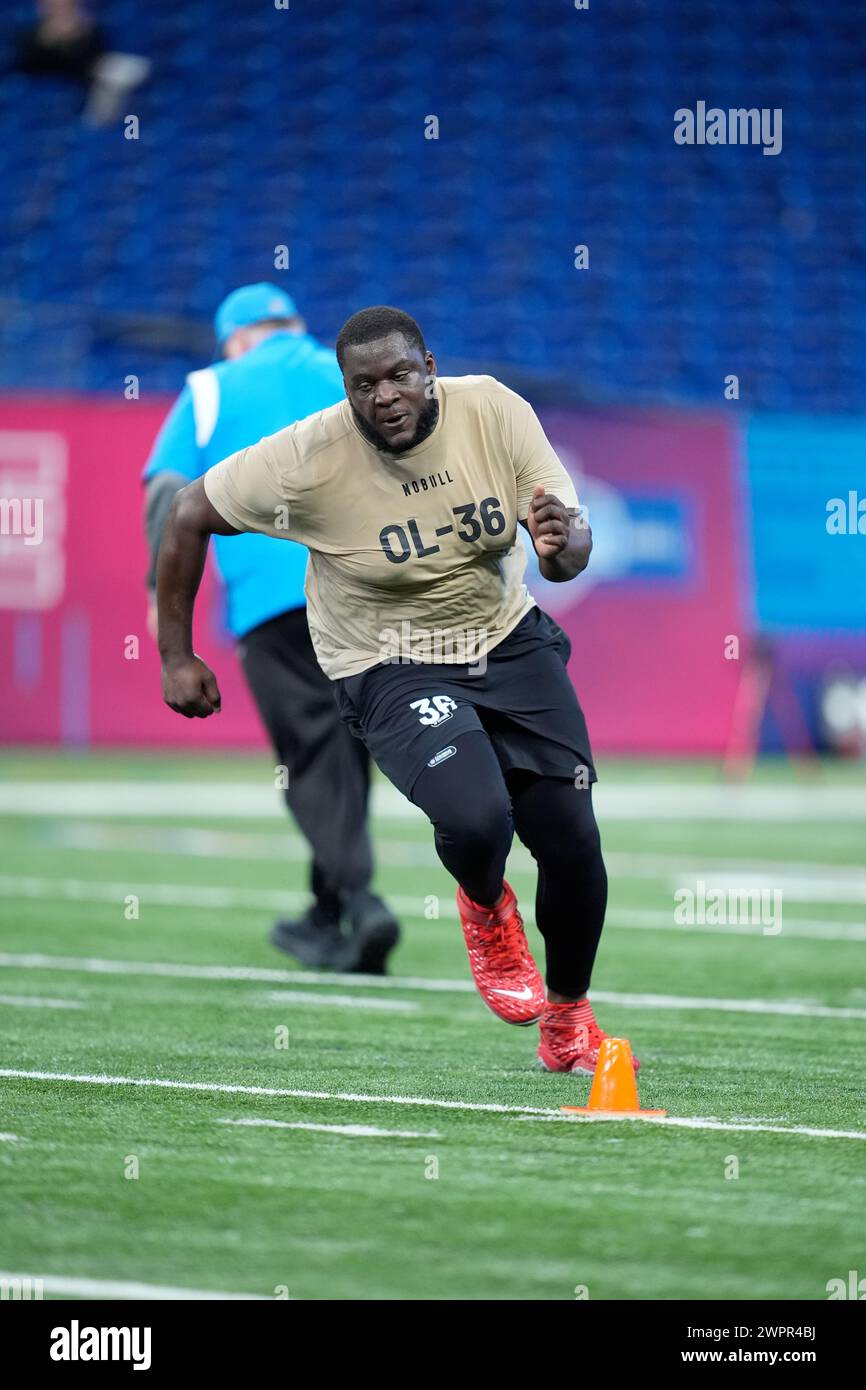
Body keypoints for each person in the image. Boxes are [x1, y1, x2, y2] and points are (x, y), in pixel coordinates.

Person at [155, 304, 640, 1074]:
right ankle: (485, 908)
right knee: (478, 819)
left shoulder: (494, 411)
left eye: (400, 375)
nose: (385, 395)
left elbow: (566, 548)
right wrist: (175, 655)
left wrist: (565, 544)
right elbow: (186, 513)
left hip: (505, 638)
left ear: (430, 369)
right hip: (388, 659)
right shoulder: (310, 455)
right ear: (344, 390)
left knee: (573, 842)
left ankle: (570, 1016)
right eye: (365, 384)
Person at [143, 286, 400, 975]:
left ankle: (363, 902)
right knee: (347, 747)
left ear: (235, 339)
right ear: (294, 327)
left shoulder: (210, 386)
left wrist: (159, 604)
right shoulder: (351, 374)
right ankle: (329, 912)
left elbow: (167, 492)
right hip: (369, 587)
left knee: (313, 756)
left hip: (272, 598)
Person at [13, 0, 150, 127]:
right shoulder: (32, 36)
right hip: (53, 87)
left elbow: (97, 56)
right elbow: (27, 65)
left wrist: (79, 38)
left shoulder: (91, 30)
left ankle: (99, 127)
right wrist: (53, 40)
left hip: (88, 82)